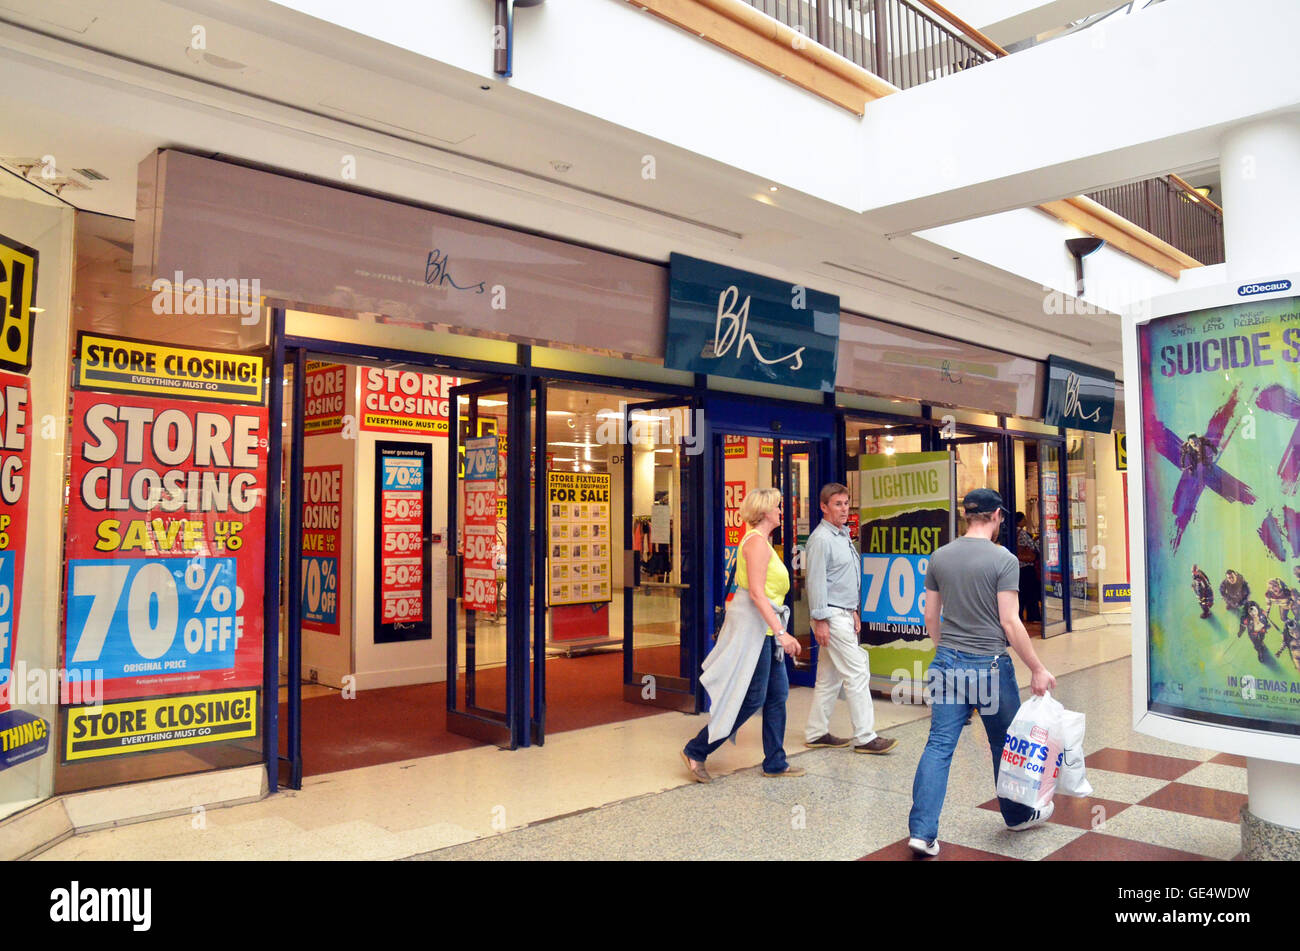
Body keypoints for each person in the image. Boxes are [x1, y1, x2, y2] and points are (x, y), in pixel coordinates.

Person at [907, 488, 1057, 858]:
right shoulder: (1003, 560)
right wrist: (1037, 667)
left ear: (967, 516)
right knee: (1005, 746)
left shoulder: (940, 556)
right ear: (995, 516)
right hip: (989, 666)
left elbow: (930, 617)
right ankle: (1017, 814)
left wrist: (946, 649)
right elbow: (1010, 621)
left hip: (947, 663)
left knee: (939, 746)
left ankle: (922, 833)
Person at [681, 487, 805, 782]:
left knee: (777, 695)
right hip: (757, 629)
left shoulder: (761, 542)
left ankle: (775, 761)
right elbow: (759, 595)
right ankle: (696, 749)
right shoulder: (757, 545)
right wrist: (782, 634)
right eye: (777, 506)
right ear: (764, 511)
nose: (781, 511)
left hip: (763, 628)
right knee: (753, 698)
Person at [803, 483, 897, 755]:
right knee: (857, 671)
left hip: (843, 612)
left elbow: (842, 579)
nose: (844, 509)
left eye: (846, 503)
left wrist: (854, 609)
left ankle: (816, 732)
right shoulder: (821, 539)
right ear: (823, 507)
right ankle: (865, 737)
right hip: (830, 615)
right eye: (837, 504)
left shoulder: (841, 535)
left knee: (829, 677)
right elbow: (816, 582)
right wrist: (820, 620)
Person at [1015, 512, 1042, 624]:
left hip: (1018, 567)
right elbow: (1033, 548)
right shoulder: (1022, 533)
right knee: (1031, 593)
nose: (1026, 520)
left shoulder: (1013, 532)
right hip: (1026, 567)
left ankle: (1019, 615)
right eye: (1024, 518)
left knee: (1021, 594)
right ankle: (1033, 615)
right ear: (1020, 520)